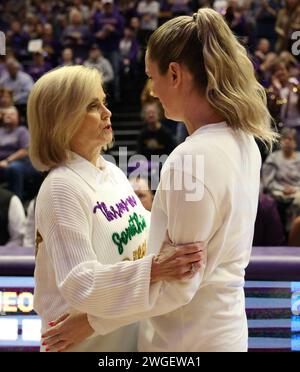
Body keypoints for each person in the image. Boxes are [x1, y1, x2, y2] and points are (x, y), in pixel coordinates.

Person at [42, 8, 277, 352]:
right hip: (219, 330)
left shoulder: (190, 158)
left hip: (187, 341)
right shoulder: (244, 139)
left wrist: (92, 322)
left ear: (175, 74)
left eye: (152, 77)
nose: (151, 91)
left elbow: (178, 283)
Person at [27, 65, 203, 352]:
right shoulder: (61, 187)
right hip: (83, 344)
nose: (108, 113)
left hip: (121, 333)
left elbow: (143, 229)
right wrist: (155, 270)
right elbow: (80, 283)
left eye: (104, 102)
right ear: (63, 118)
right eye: (93, 106)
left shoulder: (110, 171)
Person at [262, 128, 300, 231]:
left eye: (290, 139)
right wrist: (282, 189)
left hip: (297, 192)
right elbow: (267, 182)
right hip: (277, 191)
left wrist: (294, 190)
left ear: (295, 143)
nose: (287, 142)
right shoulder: (273, 158)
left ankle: (292, 231)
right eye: (284, 139)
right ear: (280, 142)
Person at [0, 106, 38, 200]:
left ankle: (17, 202)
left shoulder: (22, 131)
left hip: (22, 162)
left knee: (14, 168)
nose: (8, 116)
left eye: (12, 114)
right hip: (2, 162)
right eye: (6, 114)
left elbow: (25, 150)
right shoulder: (0, 131)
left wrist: (7, 161)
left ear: (18, 117)